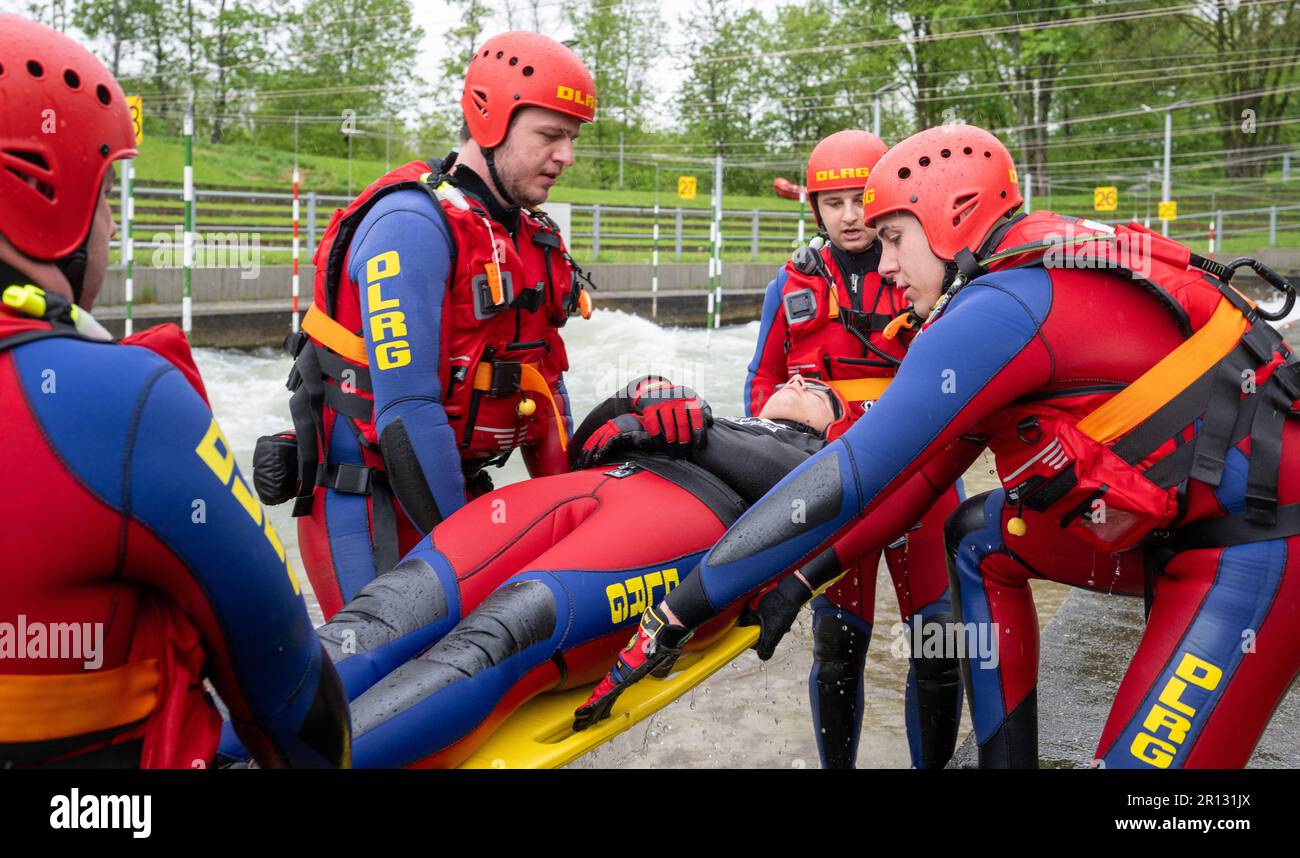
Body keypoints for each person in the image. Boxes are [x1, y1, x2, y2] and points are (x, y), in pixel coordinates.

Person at [576, 123, 1300, 769]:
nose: (884, 264)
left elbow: (852, 475)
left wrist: (675, 611)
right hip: (1193, 522)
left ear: (952, 218)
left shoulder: (996, 307)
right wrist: (801, 581)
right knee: (979, 536)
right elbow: (918, 484)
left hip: (1256, 546)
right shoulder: (1013, 276)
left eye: (894, 236)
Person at [0, 13, 349, 768]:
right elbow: (292, 694)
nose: (113, 227)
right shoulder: (120, 402)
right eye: (106, 198)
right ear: (43, 193)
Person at [224, 375, 878, 768]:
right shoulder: (706, 413)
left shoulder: (823, 454)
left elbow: (800, 491)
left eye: (815, 389)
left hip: (685, 522)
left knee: (500, 634)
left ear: (835, 423)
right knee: (389, 608)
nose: (797, 380)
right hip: (588, 490)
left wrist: (684, 430)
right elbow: (585, 444)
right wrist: (634, 402)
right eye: (792, 377)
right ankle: (197, 749)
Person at [258, 32, 599, 620]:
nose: (566, 155)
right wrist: (471, 559)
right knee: (388, 690)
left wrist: (579, 523)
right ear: (489, 119)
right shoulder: (410, 225)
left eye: (572, 138)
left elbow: (545, 391)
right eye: (549, 135)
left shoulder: (533, 237)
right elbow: (406, 413)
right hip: (368, 504)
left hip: (458, 488)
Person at [745, 129, 963, 768]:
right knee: (838, 647)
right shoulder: (790, 284)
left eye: (859, 200)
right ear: (814, 208)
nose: (848, 217)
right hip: (833, 482)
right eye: (831, 202)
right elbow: (762, 378)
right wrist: (772, 449)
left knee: (938, 645)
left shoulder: (929, 272)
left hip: (922, 478)